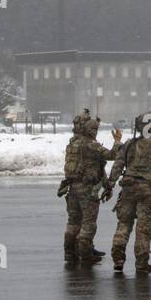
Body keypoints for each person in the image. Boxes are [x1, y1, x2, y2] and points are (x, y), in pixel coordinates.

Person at [106, 112, 151, 275]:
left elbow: (117, 166)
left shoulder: (129, 145)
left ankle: (118, 259)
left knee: (123, 224)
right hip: (147, 191)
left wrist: (109, 185)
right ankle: (141, 263)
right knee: (143, 228)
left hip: (128, 190)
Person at [60, 110, 122, 266]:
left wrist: (106, 184)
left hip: (72, 188)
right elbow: (112, 155)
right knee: (88, 223)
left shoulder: (73, 143)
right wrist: (117, 141)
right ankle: (85, 254)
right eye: (94, 129)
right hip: (87, 190)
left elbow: (98, 166)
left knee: (73, 222)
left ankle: (70, 253)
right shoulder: (91, 145)